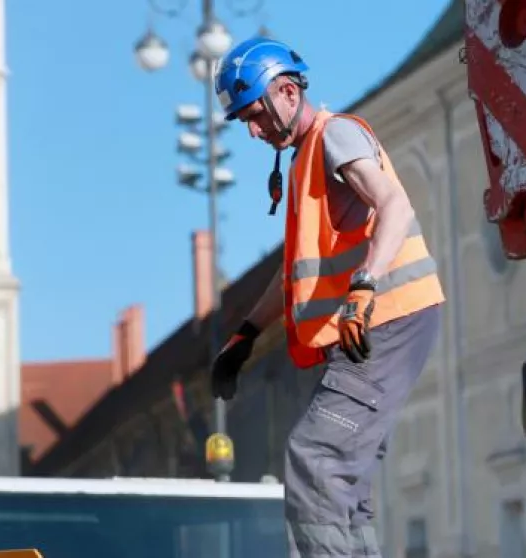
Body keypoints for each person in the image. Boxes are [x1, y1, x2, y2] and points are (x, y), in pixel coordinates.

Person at [209, 36, 445, 557]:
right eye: (244, 121)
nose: (252, 130)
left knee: (315, 461)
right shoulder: (303, 162)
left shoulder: (335, 135)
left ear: (288, 92)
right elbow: (296, 273)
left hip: (385, 323)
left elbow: (394, 205)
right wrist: (246, 333)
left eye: (255, 114)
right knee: (344, 488)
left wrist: (365, 286)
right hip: (369, 331)